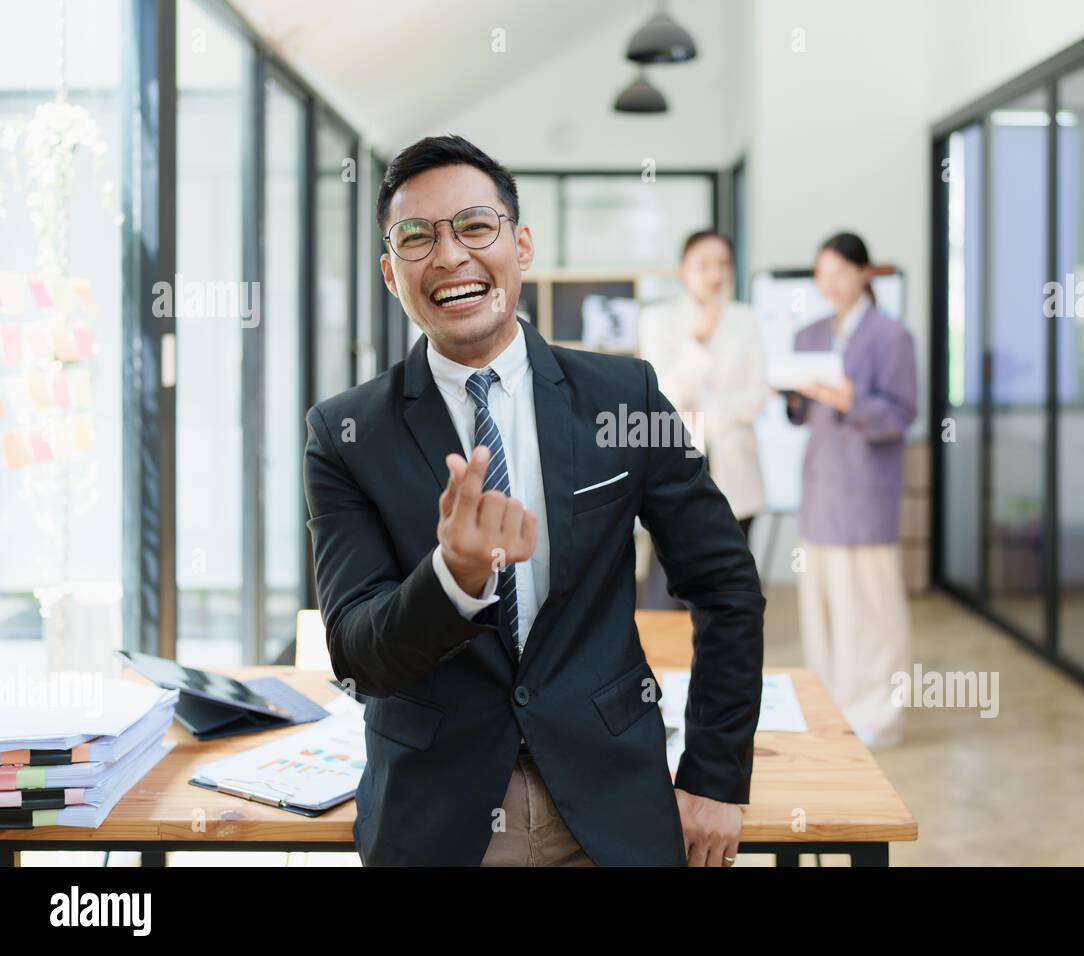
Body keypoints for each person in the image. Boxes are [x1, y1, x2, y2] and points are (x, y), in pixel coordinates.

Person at [303, 135, 764, 867]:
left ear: (520, 245)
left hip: (611, 806)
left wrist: (715, 774)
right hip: (436, 816)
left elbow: (727, 586)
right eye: (417, 238)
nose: (450, 256)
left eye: (476, 226)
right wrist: (453, 578)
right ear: (392, 275)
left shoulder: (625, 396)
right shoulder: (347, 434)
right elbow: (359, 657)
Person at [785, 232, 917, 748]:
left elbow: (902, 414)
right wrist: (797, 397)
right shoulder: (809, 333)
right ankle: (833, 706)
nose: (830, 284)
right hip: (821, 490)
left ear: (866, 272)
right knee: (822, 610)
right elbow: (801, 415)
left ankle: (880, 715)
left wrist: (849, 400)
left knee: (872, 612)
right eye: (823, 274)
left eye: (841, 272)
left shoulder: (891, 337)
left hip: (865, 493)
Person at [637, 230, 767, 609]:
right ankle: (660, 666)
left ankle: (721, 665)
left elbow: (757, 396)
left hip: (735, 472)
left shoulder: (747, 320)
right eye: (704, 265)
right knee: (665, 591)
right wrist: (699, 338)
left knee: (728, 588)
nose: (715, 274)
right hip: (674, 471)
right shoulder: (658, 319)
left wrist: (702, 416)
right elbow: (664, 396)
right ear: (682, 270)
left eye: (723, 264)